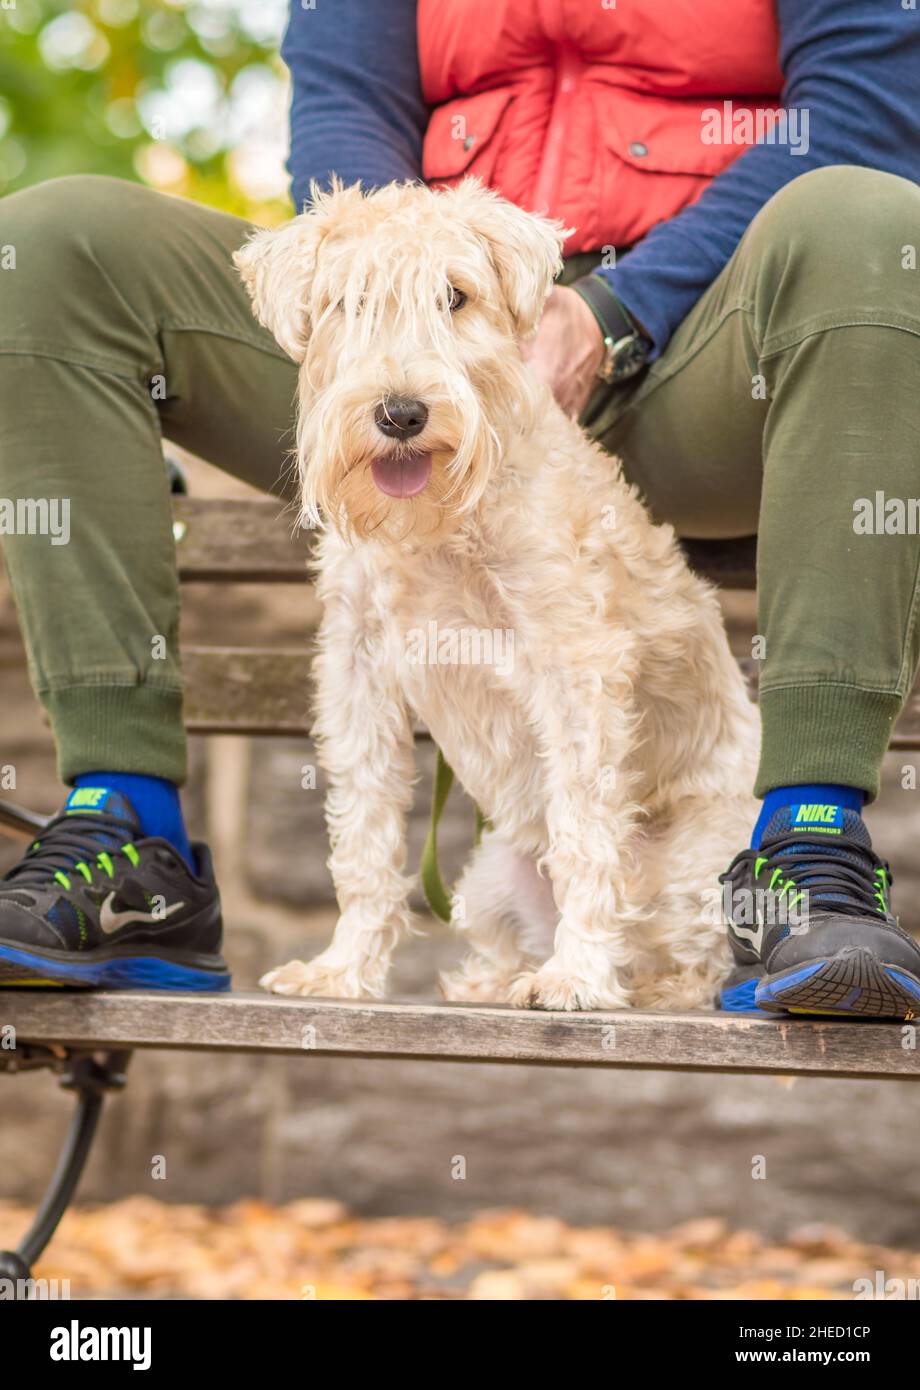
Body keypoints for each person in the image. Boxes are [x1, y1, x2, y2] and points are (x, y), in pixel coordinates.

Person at [1, 1, 919, 1015]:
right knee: (48, 244)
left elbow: (857, 112)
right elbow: (346, 104)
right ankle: (126, 830)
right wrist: (410, 288)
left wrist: (610, 309)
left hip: (699, 345)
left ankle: (800, 844)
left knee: (867, 222)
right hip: (424, 314)